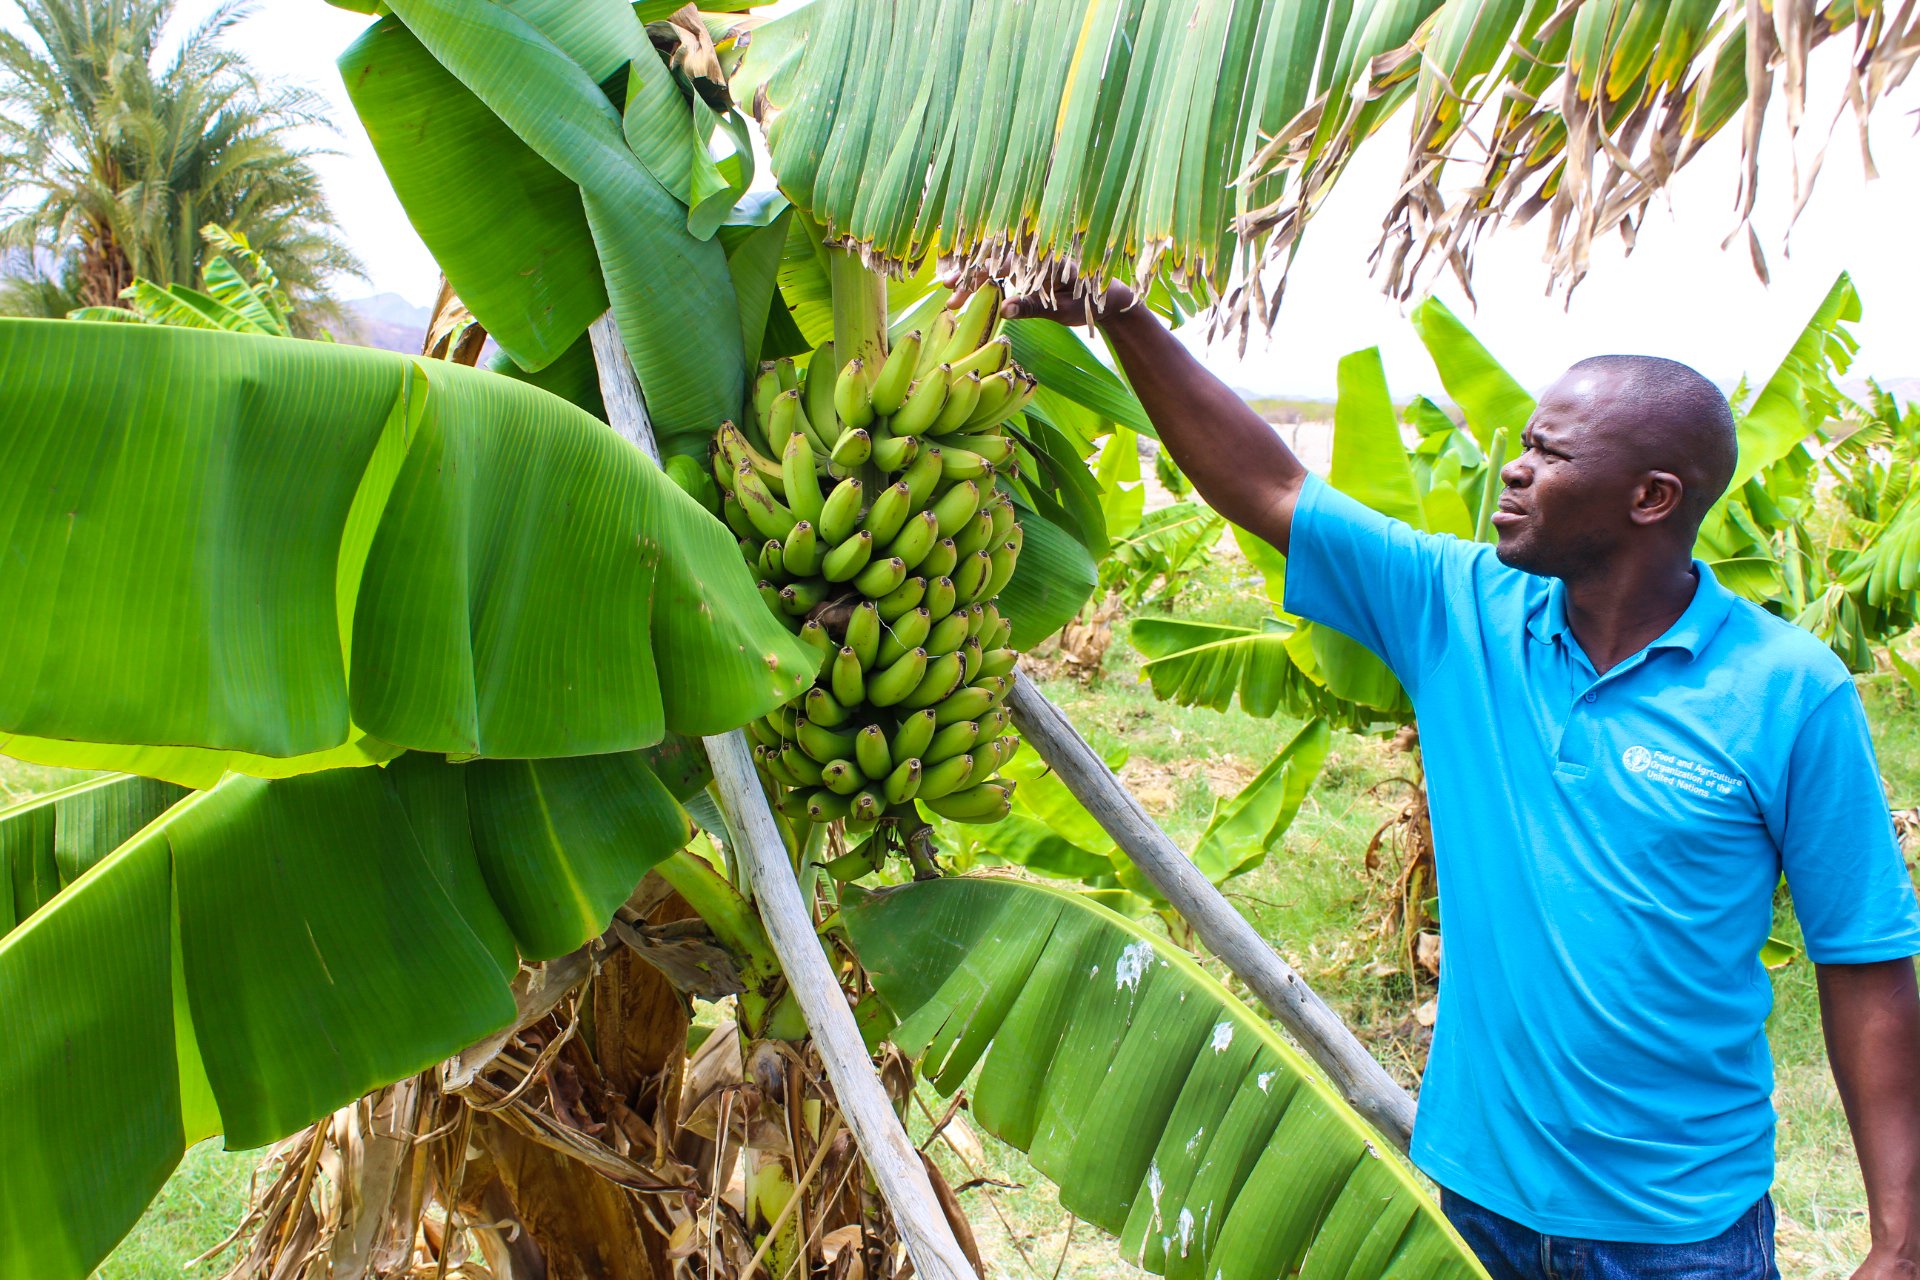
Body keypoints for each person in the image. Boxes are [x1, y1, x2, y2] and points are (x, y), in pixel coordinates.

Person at [982, 279, 1920, 1279]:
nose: (1512, 470)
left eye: (1551, 454)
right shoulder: (1462, 608)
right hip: (1478, 1208)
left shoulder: (1787, 690)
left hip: (1680, 1227)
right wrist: (1124, 314)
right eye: (1522, 442)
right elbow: (1271, 488)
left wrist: (1900, 1238)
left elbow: (1863, 960)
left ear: (1652, 497)